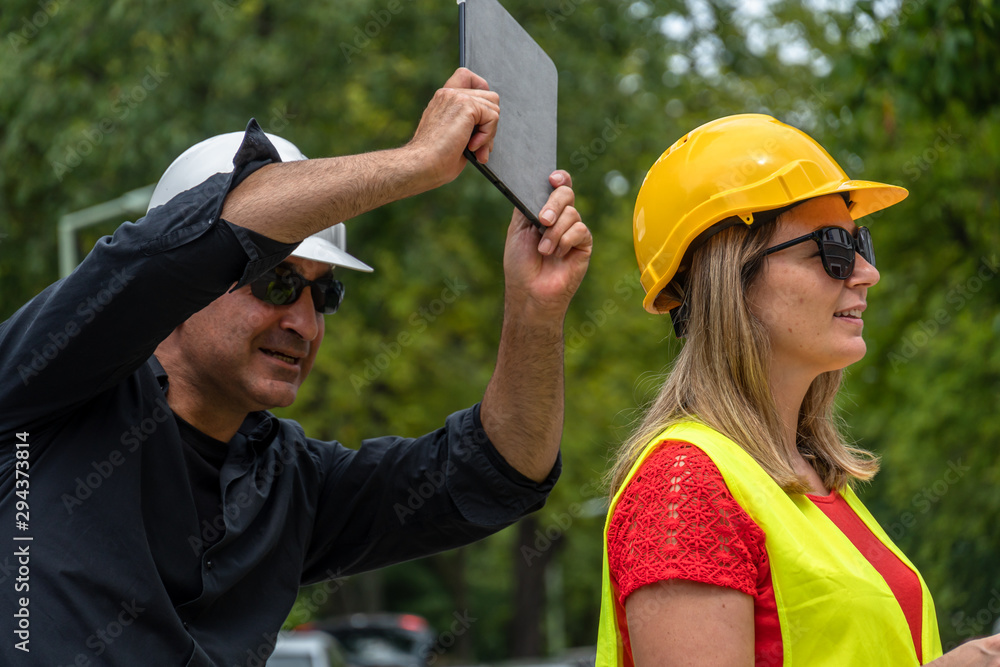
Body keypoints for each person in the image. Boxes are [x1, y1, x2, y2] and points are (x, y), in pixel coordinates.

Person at [0, 67, 592, 666]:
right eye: (278, 283)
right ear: (188, 285)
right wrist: (415, 162)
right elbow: (197, 240)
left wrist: (535, 313)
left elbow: (500, 470)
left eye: (324, 294)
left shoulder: (291, 485)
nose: (305, 324)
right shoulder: (49, 388)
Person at [595, 114, 1000, 666]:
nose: (865, 273)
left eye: (863, 245)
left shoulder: (811, 479)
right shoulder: (684, 486)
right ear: (730, 276)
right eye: (832, 248)